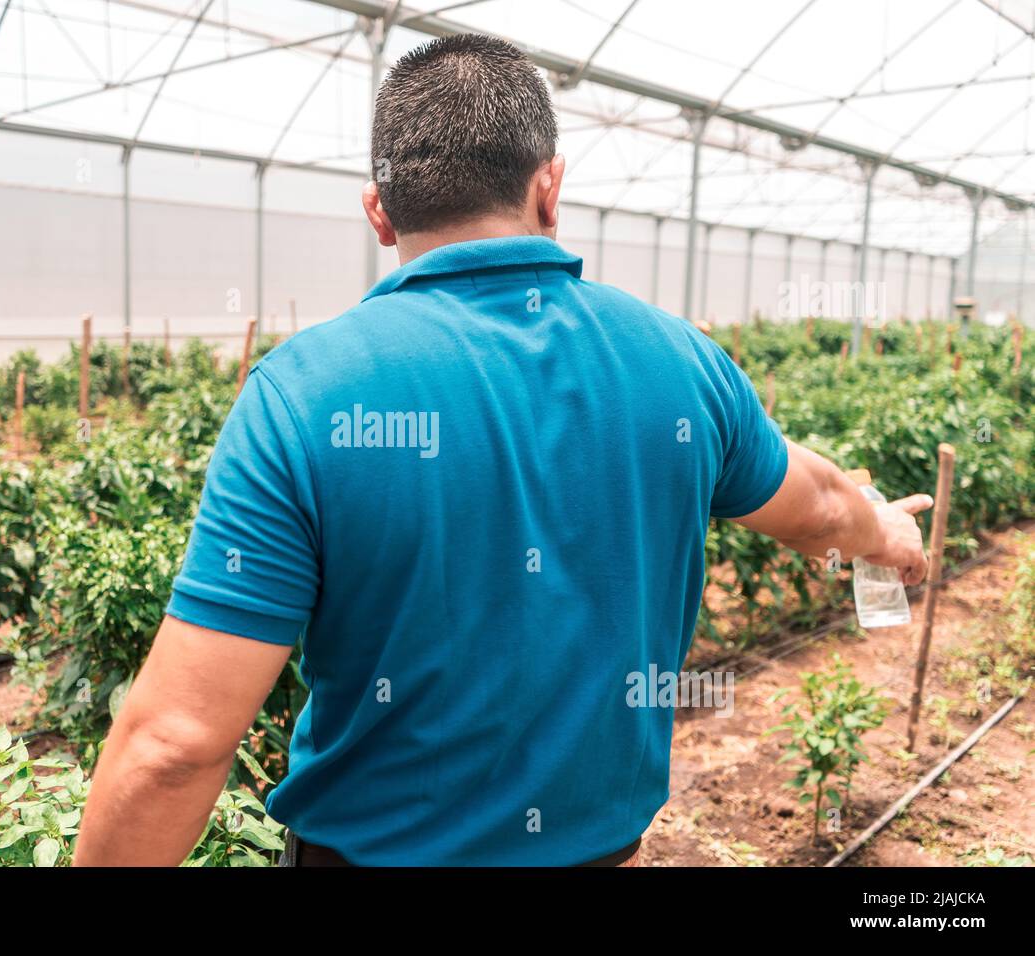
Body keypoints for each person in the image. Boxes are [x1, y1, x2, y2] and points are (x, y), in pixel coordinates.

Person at [74, 33, 930, 867]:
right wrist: (885, 534)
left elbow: (174, 746)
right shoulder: (683, 364)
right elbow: (817, 502)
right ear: (549, 188)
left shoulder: (305, 394)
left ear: (378, 212)